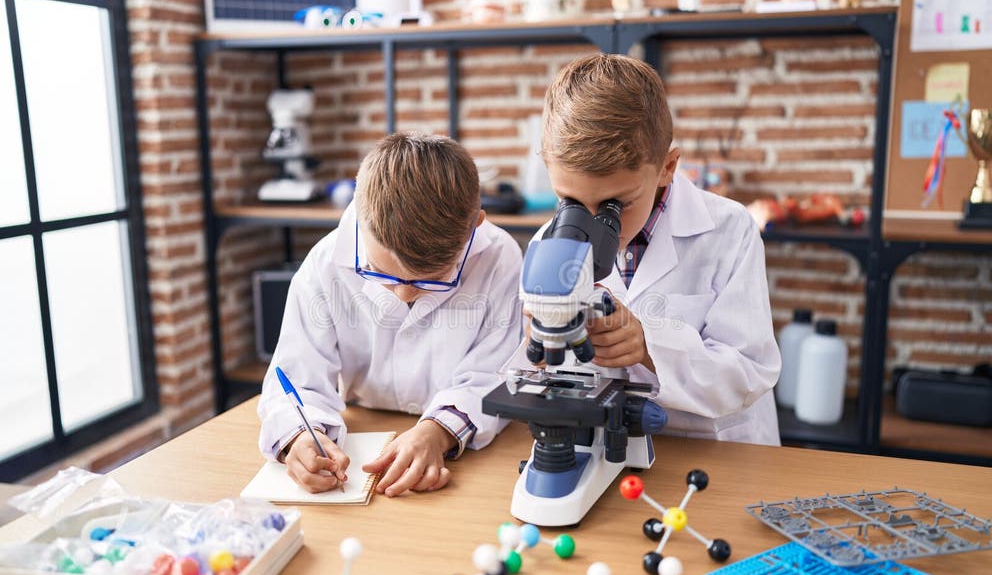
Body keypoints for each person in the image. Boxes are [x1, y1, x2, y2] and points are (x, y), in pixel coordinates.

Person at [535, 53, 781, 444]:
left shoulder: (729, 231)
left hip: (712, 451)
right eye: (572, 203)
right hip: (604, 445)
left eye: (618, 205)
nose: (597, 228)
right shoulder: (546, 244)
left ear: (668, 166)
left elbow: (751, 372)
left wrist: (650, 346)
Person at [258, 133, 523, 495]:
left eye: (433, 280)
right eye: (380, 273)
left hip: (470, 460)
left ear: (474, 227)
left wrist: (437, 432)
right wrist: (300, 436)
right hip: (365, 430)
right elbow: (295, 380)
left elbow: (495, 373)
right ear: (361, 222)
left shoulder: (499, 258)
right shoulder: (324, 263)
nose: (405, 293)